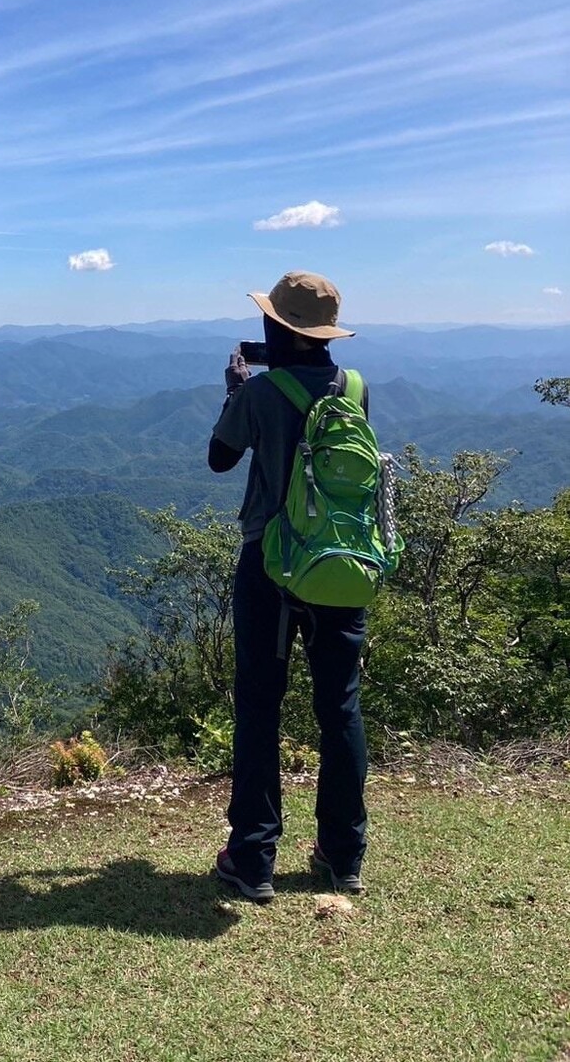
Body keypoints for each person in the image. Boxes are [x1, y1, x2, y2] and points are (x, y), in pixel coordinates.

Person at [208, 270, 368, 903]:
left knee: (259, 707)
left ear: (278, 327)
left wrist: (234, 393)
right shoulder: (354, 386)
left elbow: (220, 458)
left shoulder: (261, 392)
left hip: (271, 568)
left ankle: (252, 859)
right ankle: (344, 852)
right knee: (341, 707)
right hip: (342, 566)